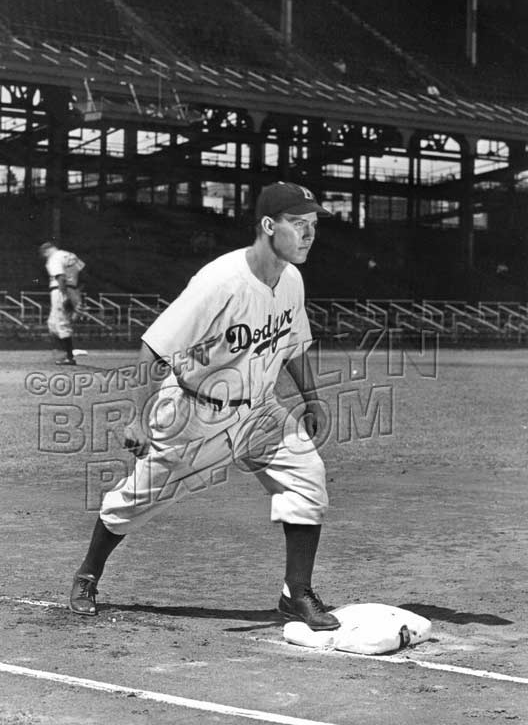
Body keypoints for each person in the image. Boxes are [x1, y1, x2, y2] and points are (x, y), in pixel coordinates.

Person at [69, 181, 341, 632]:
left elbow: (294, 345)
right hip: (194, 414)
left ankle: (296, 593)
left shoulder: (291, 279)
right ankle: (87, 574)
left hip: (259, 411)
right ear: (268, 225)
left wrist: (311, 399)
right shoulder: (220, 282)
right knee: (135, 502)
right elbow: (155, 347)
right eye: (298, 223)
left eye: (313, 225)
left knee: (307, 476)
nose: (309, 234)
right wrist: (137, 417)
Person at [39, 242, 85, 366]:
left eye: (44, 254)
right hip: (73, 288)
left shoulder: (54, 258)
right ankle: (60, 355)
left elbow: (61, 277)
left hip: (60, 290)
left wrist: (65, 296)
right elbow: (83, 275)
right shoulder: (70, 255)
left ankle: (68, 357)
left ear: (46, 251)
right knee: (52, 323)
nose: (44, 257)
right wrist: (76, 294)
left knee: (61, 323)